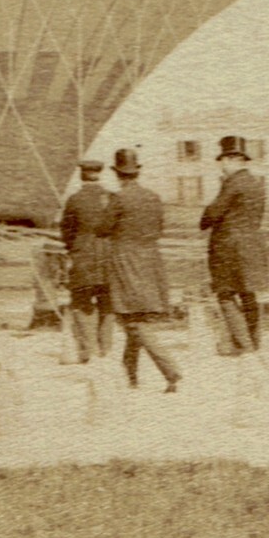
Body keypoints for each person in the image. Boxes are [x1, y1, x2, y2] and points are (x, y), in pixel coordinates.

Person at [107, 149, 180, 391]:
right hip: (151, 261)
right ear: (137, 172)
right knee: (133, 319)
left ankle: (171, 371)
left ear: (118, 174)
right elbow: (159, 229)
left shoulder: (118, 199)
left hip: (126, 262)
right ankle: (130, 376)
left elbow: (102, 228)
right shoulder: (153, 197)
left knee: (135, 322)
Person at [199, 135, 268, 355]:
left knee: (226, 295)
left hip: (229, 249)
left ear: (230, 159)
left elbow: (212, 214)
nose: (222, 166)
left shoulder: (233, 184)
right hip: (253, 247)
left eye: (223, 161)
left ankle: (243, 345)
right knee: (248, 295)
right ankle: (254, 342)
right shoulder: (256, 184)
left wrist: (206, 216)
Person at [59, 159, 115, 363]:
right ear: (99, 175)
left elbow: (67, 231)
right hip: (109, 258)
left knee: (82, 303)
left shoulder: (75, 200)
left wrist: (71, 249)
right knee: (107, 304)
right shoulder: (111, 198)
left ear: (82, 176)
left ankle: (89, 350)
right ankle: (106, 349)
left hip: (83, 257)